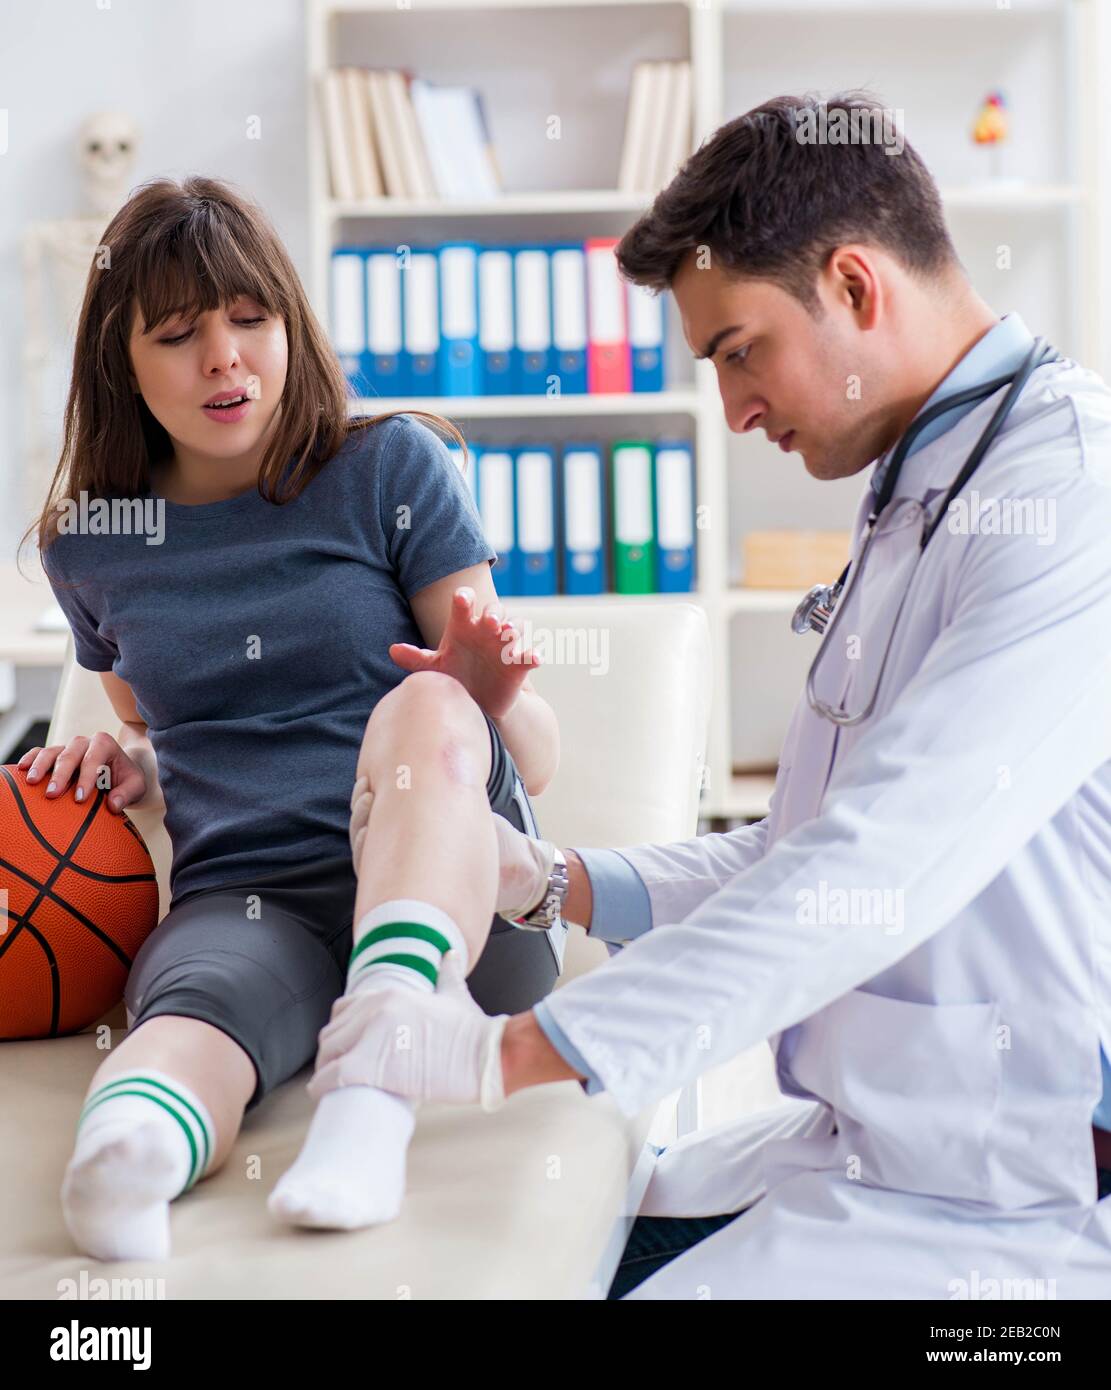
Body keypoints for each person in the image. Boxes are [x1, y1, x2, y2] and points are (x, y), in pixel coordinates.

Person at [302, 93, 1111, 1299]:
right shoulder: (917, 485)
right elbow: (798, 849)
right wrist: (551, 881)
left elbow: (874, 866)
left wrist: (508, 1051)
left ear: (852, 284)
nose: (731, 409)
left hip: (1006, 1200)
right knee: (571, 1232)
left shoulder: (1066, 498)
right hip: (873, 1140)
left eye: (739, 350)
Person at [20, 175, 559, 1262]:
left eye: (251, 319)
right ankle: (129, 1156)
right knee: (187, 1013)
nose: (225, 356)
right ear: (119, 361)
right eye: (179, 333)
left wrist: (484, 697)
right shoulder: (91, 543)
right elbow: (172, 730)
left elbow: (535, 759)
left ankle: (375, 1079)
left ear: (288, 324)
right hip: (251, 893)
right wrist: (119, 765)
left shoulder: (386, 469)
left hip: (462, 894)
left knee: (422, 699)